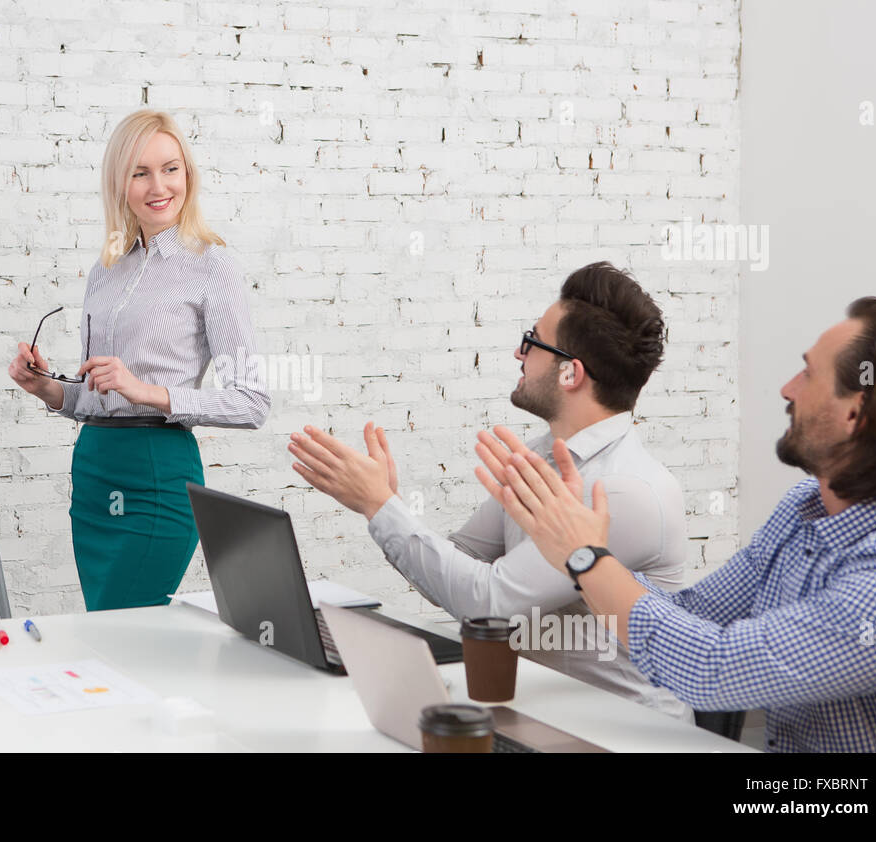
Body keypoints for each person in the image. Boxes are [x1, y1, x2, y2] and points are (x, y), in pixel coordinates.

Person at [478, 297, 876, 751]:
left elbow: (716, 668)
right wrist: (579, 544)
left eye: (808, 374)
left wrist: (585, 556)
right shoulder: (802, 510)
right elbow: (692, 612)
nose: (787, 389)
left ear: (855, 413)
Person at [287, 262, 691, 719]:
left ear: (570, 374)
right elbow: (462, 563)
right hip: (541, 717)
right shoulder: (545, 455)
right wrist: (388, 501)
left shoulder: (623, 492)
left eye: (532, 341)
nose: (519, 354)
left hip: (623, 733)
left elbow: (487, 603)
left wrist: (380, 506)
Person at [8, 110, 270, 611]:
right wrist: (46, 388)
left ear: (188, 174)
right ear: (119, 182)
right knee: (106, 633)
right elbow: (95, 396)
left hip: (157, 475)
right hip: (92, 474)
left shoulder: (212, 266)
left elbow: (252, 403)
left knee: (128, 630)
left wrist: (146, 390)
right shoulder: (106, 270)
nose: (159, 185)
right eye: (140, 172)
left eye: (171, 168)